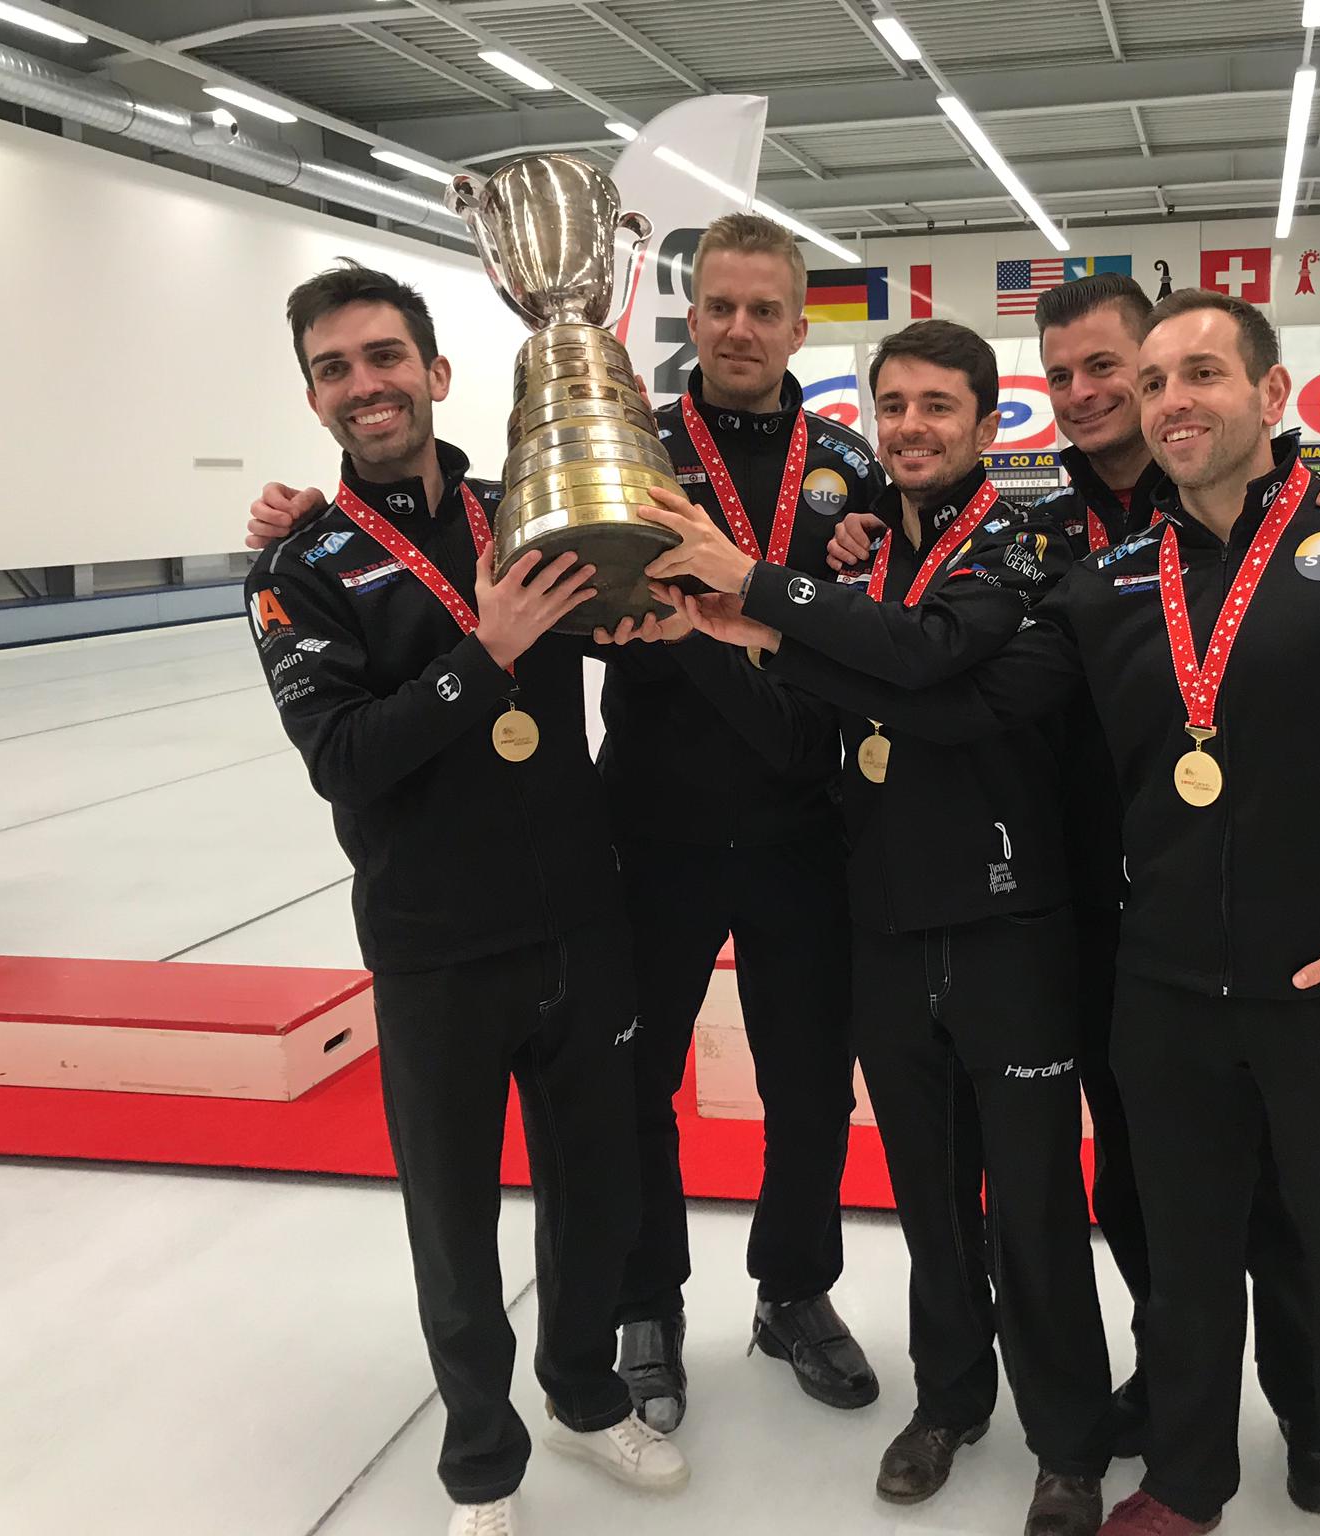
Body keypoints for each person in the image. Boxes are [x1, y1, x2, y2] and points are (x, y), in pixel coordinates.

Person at [666, 288, 1320, 1536]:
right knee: (1168, 1247)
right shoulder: (1101, 566)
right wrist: (762, 632)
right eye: (1142, 380)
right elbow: (960, 703)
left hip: (1314, 969)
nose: (1160, 400)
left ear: (1270, 396)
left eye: (1191, 375)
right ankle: (1184, 1475)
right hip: (1153, 965)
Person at [244, 213, 883, 1434]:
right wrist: (295, 519)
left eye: (765, 310)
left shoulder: (846, 465)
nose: (740, 329)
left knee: (808, 1082)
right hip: (647, 824)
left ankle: (795, 1289)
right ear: (688, 322)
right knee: (633, 1092)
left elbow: (891, 594)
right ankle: (646, 1302)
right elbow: (477, 550)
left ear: (803, 324)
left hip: (808, 821)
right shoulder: (626, 446)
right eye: (719, 308)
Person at [831, 272, 1320, 1513]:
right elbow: (966, 674)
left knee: (1286, 1205)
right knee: (1153, 1198)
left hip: (1262, 916)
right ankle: (1171, 1410)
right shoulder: (1044, 535)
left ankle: (1313, 1417)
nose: (1098, 394)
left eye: (1119, 367)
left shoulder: (1297, 507)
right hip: (1092, 919)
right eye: (1069, 376)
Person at [643, 318, 1114, 1536]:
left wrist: (758, 599)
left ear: (984, 421)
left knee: (1034, 1201)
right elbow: (810, 740)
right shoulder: (861, 569)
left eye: (936, 407)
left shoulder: (1019, 548)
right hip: (887, 930)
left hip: (1010, 924)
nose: (908, 427)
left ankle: (1067, 1437)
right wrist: (708, 647)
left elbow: (935, 671)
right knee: (926, 1196)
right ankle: (949, 1399)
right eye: (891, 405)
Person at [244, 261, 687, 1536]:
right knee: (455, 1220)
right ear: (315, 396)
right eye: (336, 368)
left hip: (579, 919)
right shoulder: (299, 564)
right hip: (435, 944)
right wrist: (480, 654)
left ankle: (585, 1394)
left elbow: (628, 597)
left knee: (595, 1188)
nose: (364, 384)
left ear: (437, 375)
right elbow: (343, 756)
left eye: (385, 357)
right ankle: (481, 1466)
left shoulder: (525, 509)